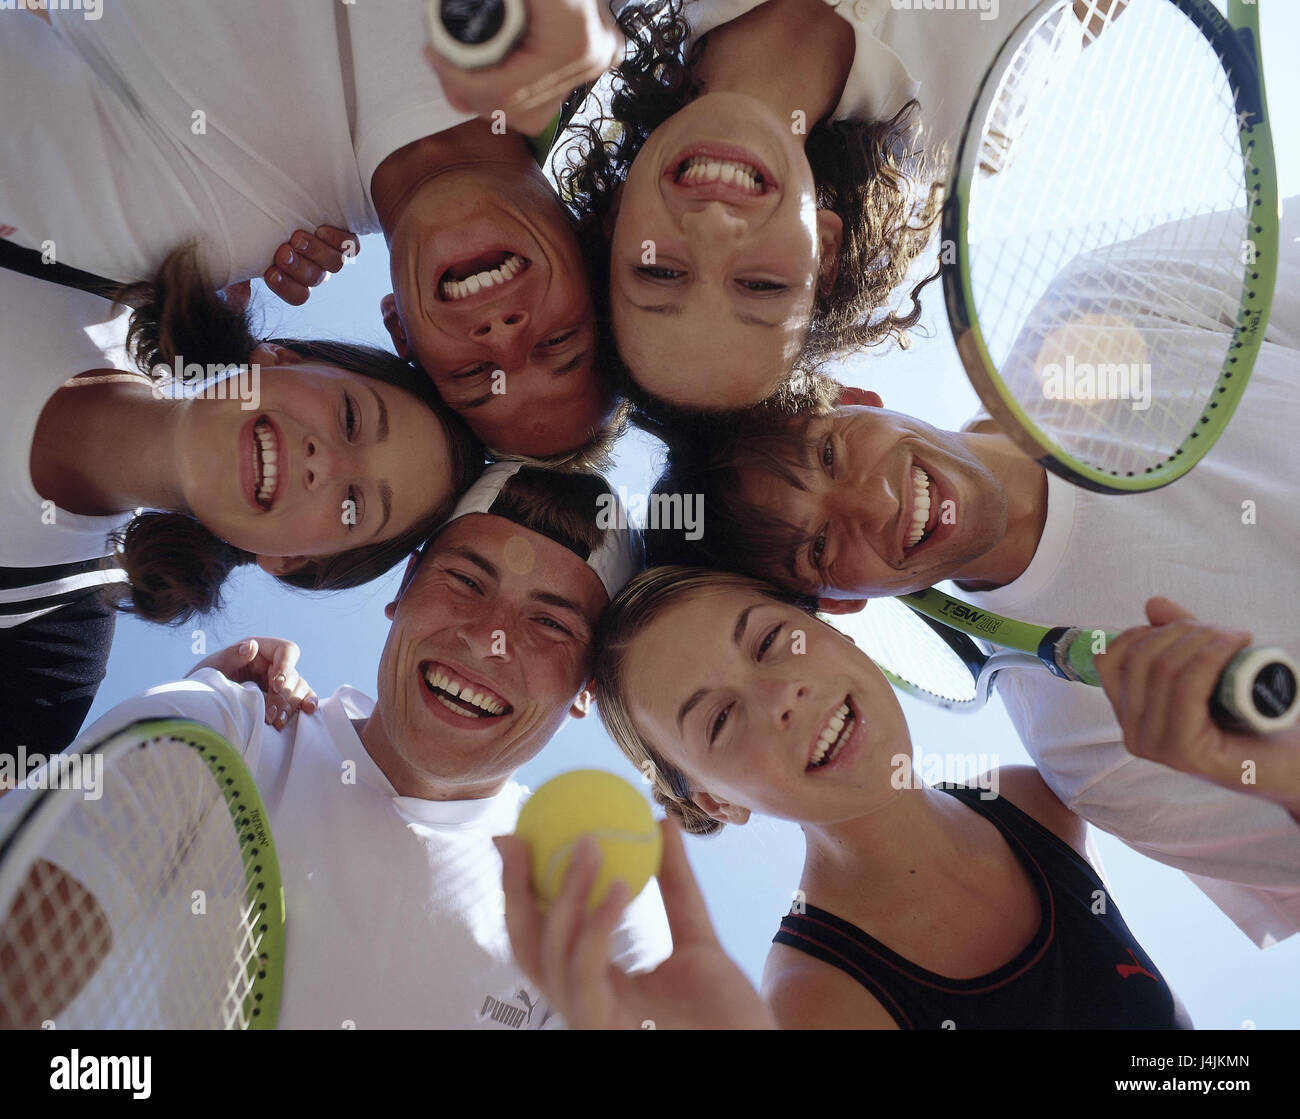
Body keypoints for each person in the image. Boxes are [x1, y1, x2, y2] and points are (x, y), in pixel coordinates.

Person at [645, 203, 1300, 947]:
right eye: (820, 547)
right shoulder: (1086, 756)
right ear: (838, 600)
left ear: (857, 400)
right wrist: (1274, 766)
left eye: (830, 454)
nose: (880, 501)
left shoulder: (1107, 307)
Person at [0, 463, 671, 1028]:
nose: (486, 636)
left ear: (588, 685)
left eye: (550, 622)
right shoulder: (222, 726)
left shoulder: (597, 891)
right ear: (403, 588)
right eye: (466, 581)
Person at [502, 565, 1208, 1029]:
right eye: (718, 719)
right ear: (716, 802)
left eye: (775, 640)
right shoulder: (816, 1000)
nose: (782, 696)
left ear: (837, 633)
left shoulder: (1032, 798)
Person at [0, 0, 621, 459]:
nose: (503, 337)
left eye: (474, 378)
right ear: (595, 246)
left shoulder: (204, 230)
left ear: (399, 330)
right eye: (559, 343)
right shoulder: (570, 29)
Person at [1, 248, 482, 755]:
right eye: (350, 419)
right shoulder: (88, 265)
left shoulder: (48, 664)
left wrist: (181, 718)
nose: (326, 465)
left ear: (287, 559)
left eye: (354, 506)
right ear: (280, 359)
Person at [558, 0, 1093, 415]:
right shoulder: (972, 121)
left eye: (661, 270)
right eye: (761, 285)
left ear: (615, 217)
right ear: (825, 250)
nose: (715, 226)